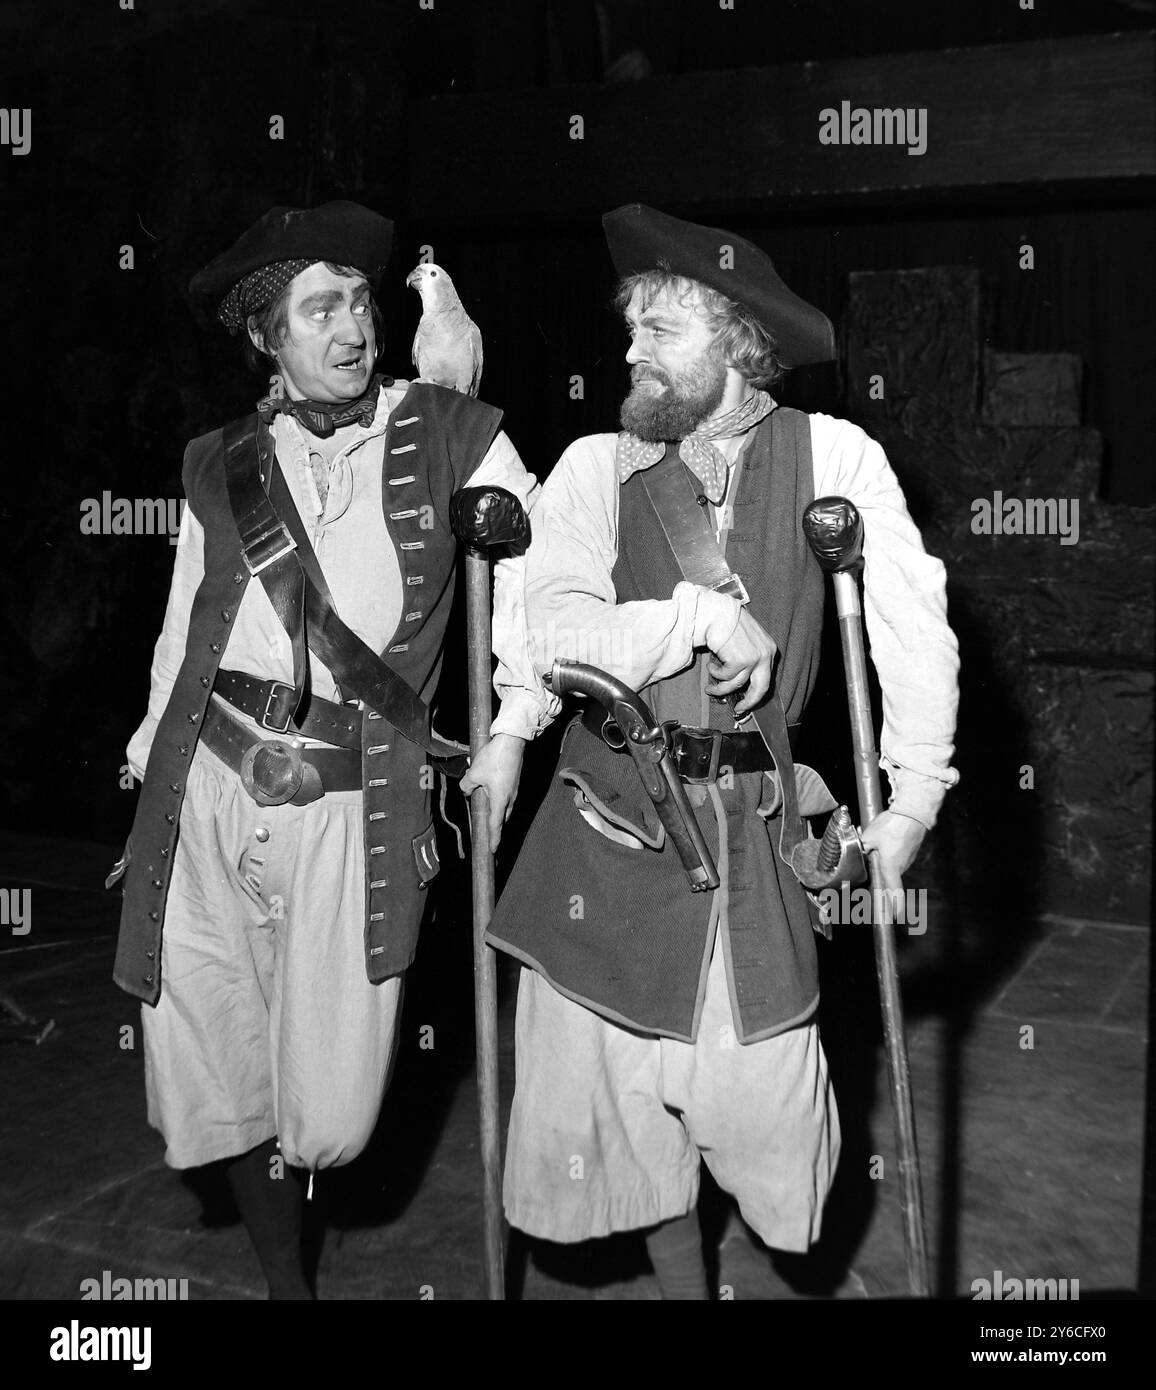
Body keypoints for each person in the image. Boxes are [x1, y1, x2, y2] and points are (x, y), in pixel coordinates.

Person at [486, 203, 960, 1299]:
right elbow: (551, 639)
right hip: (602, 844)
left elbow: (909, 629)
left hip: (754, 844)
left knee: (776, 1144)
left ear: (742, 342)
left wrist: (910, 804)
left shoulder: (834, 455)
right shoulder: (593, 466)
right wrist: (695, 613)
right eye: (630, 331)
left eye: (661, 330)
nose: (629, 351)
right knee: (617, 1143)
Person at [110, 200, 542, 1298]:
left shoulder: (454, 431)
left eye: (359, 301)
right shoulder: (217, 462)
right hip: (208, 786)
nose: (352, 328)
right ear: (267, 337)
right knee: (221, 1060)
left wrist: (510, 731)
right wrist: (147, 779)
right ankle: (285, 1289)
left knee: (328, 1104)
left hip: (353, 801)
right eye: (320, 309)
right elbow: (181, 636)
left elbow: (542, 599)